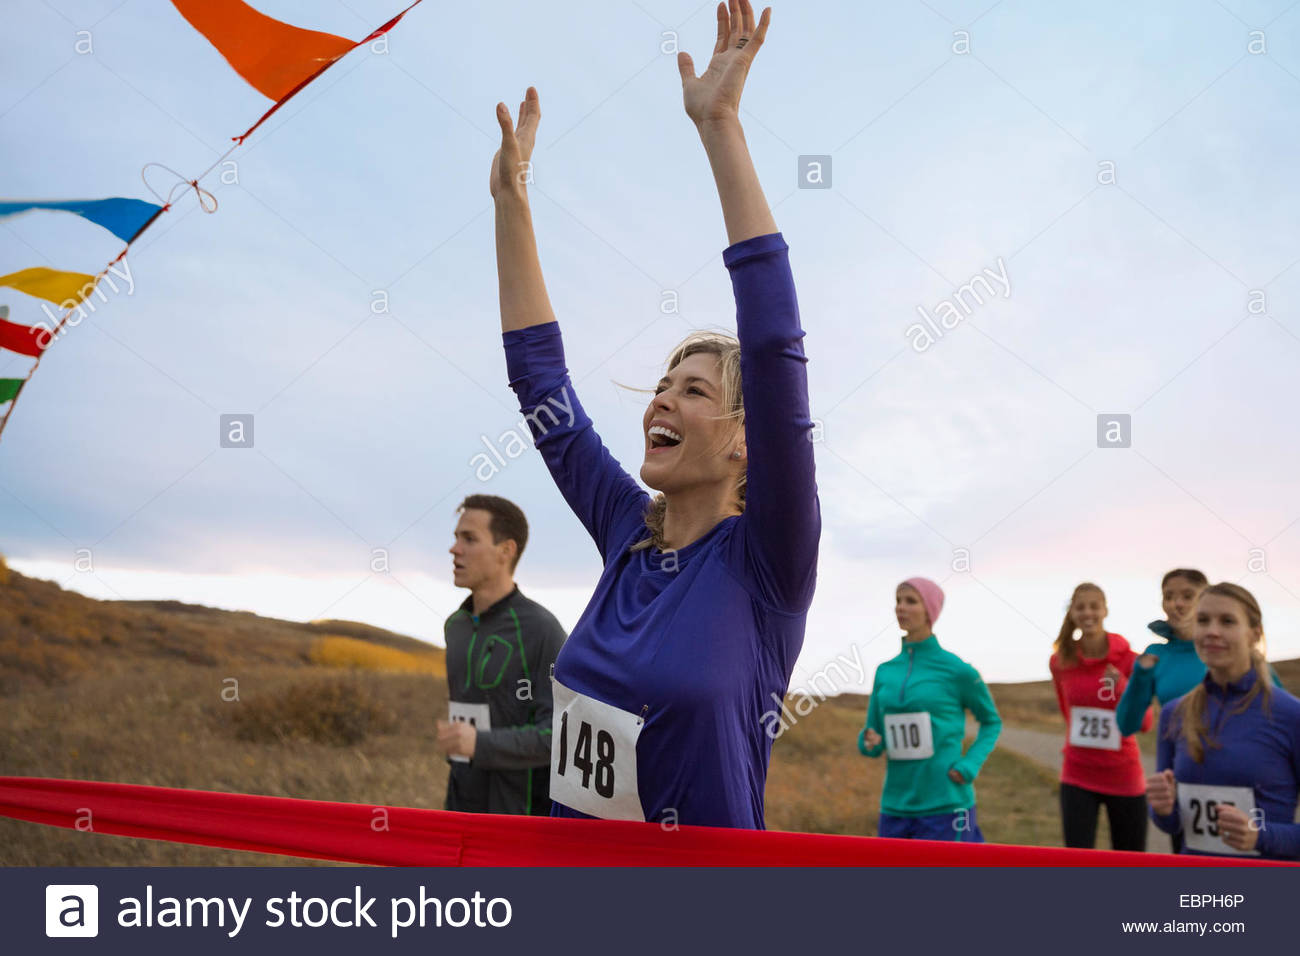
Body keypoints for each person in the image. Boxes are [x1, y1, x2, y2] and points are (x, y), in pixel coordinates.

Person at [486, 0, 818, 829]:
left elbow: (775, 346)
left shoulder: (770, 563)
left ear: (748, 442)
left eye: (696, 390)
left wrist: (720, 129)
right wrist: (511, 204)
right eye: (665, 385)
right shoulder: (624, 533)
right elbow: (544, 393)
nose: (663, 400)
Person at [1146, 583, 1300, 860]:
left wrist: (1260, 837)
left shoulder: (1291, 716)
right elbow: (1172, 824)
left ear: (1254, 634)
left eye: (1227, 621)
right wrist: (1162, 809)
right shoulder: (1174, 714)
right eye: (1202, 621)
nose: (1211, 631)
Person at [436, 494, 567, 815]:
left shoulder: (542, 629)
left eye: (469, 539)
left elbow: (560, 737)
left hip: (521, 824)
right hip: (460, 812)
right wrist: (458, 742)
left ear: (506, 551)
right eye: (456, 538)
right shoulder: (455, 626)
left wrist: (480, 744)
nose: (455, 549)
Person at [858, 578, 1001, 841]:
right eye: (898, 601)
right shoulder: (885, 672)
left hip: (947, 805)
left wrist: (969, 765)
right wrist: (870, 741)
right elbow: (872, 732)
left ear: (930, 611)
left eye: (911, 601)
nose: (901, 607)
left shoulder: (957, 670)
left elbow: (991, 722)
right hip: (895, 806)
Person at [1049, 582, 1150, 851]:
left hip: (1123, 775)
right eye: (1080, 607)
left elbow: (1145, 722)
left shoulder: (1130, 661)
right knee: (1078, 862)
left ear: (1105, 610)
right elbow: (1067, 713)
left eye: (1094, 606)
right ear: (1072, 613)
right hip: (1077, 774)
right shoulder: (1060, 661)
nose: (1088, 613)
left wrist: (1122, 687)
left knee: (1130, 862)